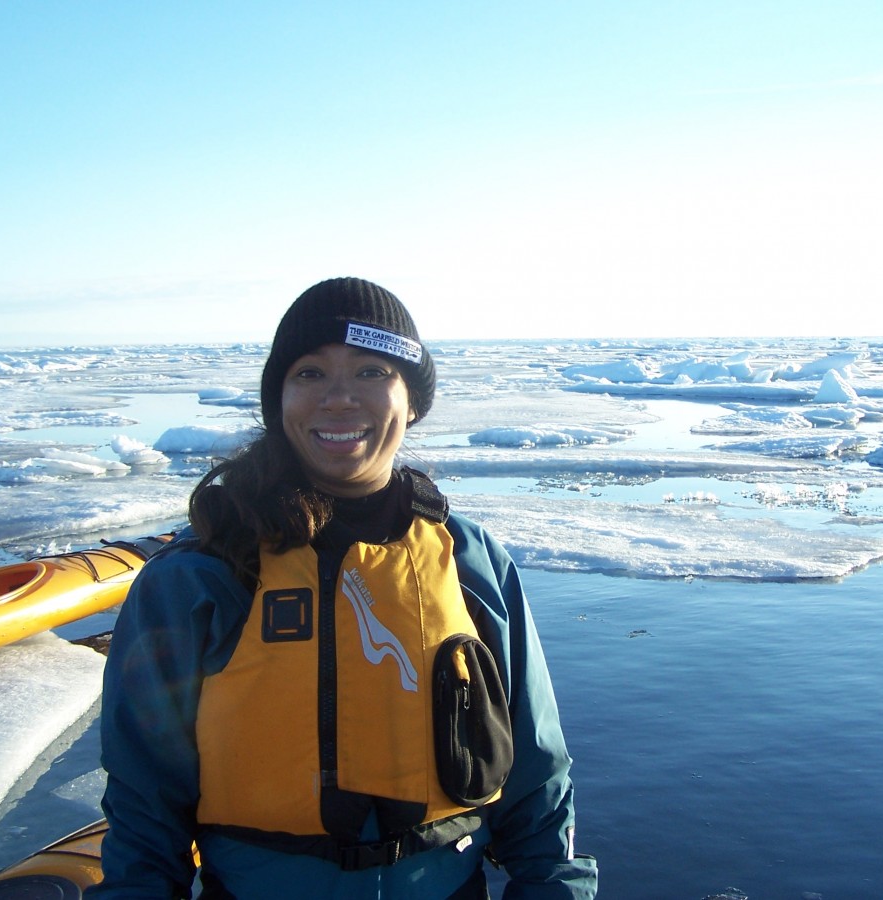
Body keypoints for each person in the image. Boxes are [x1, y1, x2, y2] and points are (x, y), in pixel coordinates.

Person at [89, 277, 598, 899]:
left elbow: (538, 771)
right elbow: (144, 798)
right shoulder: (205, 574)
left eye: (370, 372)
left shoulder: (469, 560)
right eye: (309, 374)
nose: (338, 399)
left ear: (411, 400)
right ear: (279, 398)